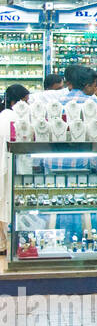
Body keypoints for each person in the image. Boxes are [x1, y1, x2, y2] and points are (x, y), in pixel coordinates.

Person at [0, 84, 29, 254]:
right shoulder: (15, 118)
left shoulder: (3, 117)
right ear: (15, 102)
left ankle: (3, 244)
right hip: (12, 166)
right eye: (25, 100)